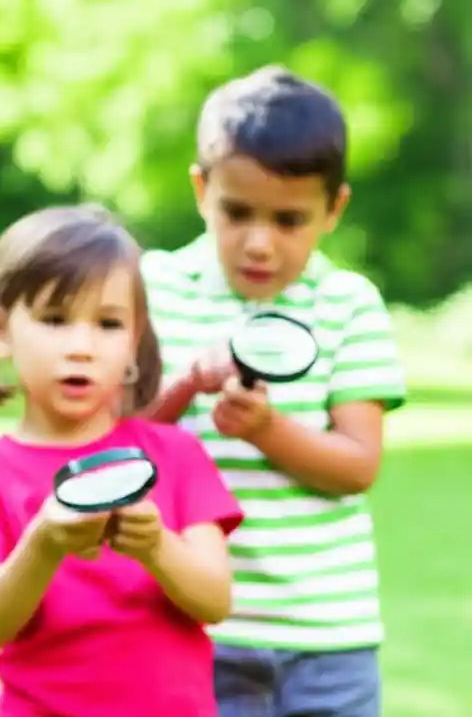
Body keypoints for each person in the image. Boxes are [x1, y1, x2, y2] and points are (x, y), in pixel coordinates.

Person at [141, 66, 408, 717]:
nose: (260, 242)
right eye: (237, 212)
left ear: (333, 208)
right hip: (193, 628)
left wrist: (266, 428)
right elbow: (122, 441)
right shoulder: (151, 286)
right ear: (202, 190)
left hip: (325, 642)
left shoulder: (349, 304)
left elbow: (356, 464)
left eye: (290, 220)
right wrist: (181, 388)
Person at [0, 205, 244, 717]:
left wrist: (157, 546)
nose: (82, 347)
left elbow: (215, 599)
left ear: (136, 337)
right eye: (55, 320)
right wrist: (42, 544)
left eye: (108, 324)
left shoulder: (176, 454)